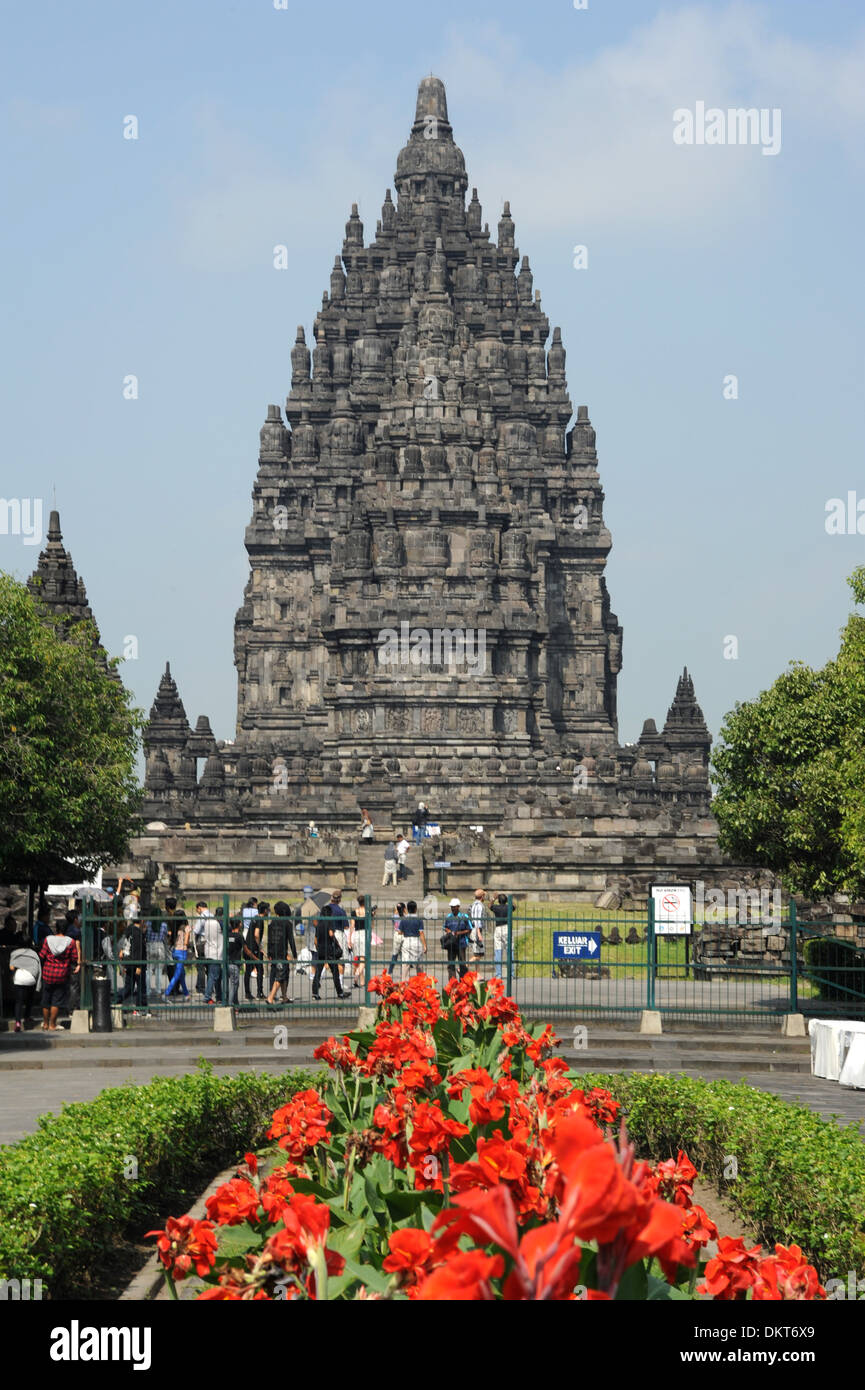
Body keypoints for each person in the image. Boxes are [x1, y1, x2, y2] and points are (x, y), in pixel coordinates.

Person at [38, 919, 80, 1030]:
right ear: (67, 929)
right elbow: (74, 958)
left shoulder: (48, 940)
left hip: (47, 974)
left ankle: (46, 1023)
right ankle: (52, 1024)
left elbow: (42, 955)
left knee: (46, 1000)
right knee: (56, 1001)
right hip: (62, 974)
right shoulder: (70, 942)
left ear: (56, 928)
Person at [311, 904, 347, 1000]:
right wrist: (336, 943)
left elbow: (315, 940)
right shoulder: (329, 922)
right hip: (330, 950)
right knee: (335, 972)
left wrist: (318, 948)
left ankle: (315, 993)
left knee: (318, 972)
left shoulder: (318, 924)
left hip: (321, 950)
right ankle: (340, 993)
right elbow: (331, 934)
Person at [266, 900, 297, 1006]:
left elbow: (269, 940)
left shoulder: (271, 923)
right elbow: (291, 940)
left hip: (273, 953)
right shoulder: (287, 923)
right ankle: (270, 997)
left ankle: (284, 997)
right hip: (281, 954)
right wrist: (295, 954)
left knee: (284, 974)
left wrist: (269, 953)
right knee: (281, 975)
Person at [9, 931, 41, 1032]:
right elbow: (38, 968)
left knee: (18, 1002)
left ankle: (18, 1022)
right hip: (31, 978)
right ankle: (27, 1016)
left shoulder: (14, 953)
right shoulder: (34, 953)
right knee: (29, 999)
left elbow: (11, 967)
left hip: (19, 978)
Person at [119, 915, 147, 1013]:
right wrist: (139, 966)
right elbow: (138, 950)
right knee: (141, 987)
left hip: (129, 961)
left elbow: (126, 945)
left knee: (129, 987)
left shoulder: (129, 930)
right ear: (142, 920)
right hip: (136, 963)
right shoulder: (137, 933)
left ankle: (117, 1000)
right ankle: (140, 1008)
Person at [198, 903, 223, 1005]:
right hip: (216, 953)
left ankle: (219, 996)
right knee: (213, 976)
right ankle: (207, 997)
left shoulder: (208, 922)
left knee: (216, 975)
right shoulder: (219, 923)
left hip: (208, 951)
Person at [442, 898, 472, 980]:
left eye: (454, 907)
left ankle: (463, 982)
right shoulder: (448, 916)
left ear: (458, 907)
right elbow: (445, 927)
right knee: (451, 964)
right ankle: (452, 983)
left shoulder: (464, 917)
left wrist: (458, 933)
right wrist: (450, 932)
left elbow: (469, 929)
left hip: (462, 943)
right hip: (451, 943)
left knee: (462, 964)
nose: (452, 908)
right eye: (451, 907)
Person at [165, 910, 192, 1001]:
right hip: (182, 952)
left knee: (182, 974)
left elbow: (171, 940)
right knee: (177, 974)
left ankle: (186, 994)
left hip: (175, 951)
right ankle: (166, 993)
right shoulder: (186, 927)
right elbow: (186, 942)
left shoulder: (175, 927)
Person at [398, 901, 426, 980]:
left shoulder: (404, 919)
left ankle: (404, 983)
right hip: (416, 940)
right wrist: (424, 945)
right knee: (419, 964)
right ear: (416, 909)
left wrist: (406, 931)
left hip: (407, 940)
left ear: (407, 909)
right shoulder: (419, 919)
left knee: (405, 964)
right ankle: (420, 982)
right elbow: (421, 933)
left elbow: (399, 932)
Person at [145, 913, 169, 1002]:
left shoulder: (148, 923)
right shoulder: (164, 925)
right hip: (160, 946)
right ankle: (158, 989)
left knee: (149, 969)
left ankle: (147, 990)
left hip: (150, 945)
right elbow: (166, 935)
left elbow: (145, 934)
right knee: (159, 970)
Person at [243, 907, 265, 1001]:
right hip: (254, 948)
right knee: (260, 970)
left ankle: (247, 993)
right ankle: (259, 993)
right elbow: (256, 934)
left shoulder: (254, 918)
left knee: (248, 970)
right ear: (265, 910)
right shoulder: (259, 920)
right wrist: (260, 947)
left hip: (248, 946)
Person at [226, 915, 245, 1006]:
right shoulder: (239, 936)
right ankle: (230, 1004)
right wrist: (255, 958)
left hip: (226, 962)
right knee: (234, 984)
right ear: (239, 924)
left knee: (229, 984)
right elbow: (246, 950)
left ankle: (235, 1002)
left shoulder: (227, 935)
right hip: (234, 963)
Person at [491, 893, 510, 978]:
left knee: (498, 951)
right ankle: (511, 973)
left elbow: (489, 906)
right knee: (510, 950)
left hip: (498, 928)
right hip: (507, 927)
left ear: (498, 901)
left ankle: (498, 974)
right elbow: (514, 907)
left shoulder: (496, 907)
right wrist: (510, 900)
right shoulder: (508, 907)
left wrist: (493, 898)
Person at [387, 902, 406, 975]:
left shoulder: (394, 916)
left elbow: (394, 918)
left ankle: (390, 972)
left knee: (395, 954)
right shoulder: (405, 917)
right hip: (404, 935)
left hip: (397, 935)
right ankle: (403, 973)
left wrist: (396, 910)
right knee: (403, 955)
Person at [469, 888, 487, 964]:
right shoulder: (478, 906)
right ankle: (465, 966)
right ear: (482, 896)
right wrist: (478, 933)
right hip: (476, 930)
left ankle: (477, 972)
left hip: (477, 930)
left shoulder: (475, 904)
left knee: (478, 953)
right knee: (478, 954)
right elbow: (477, 920)